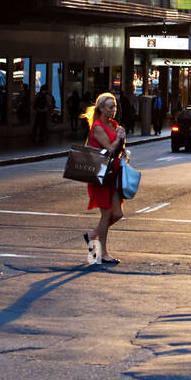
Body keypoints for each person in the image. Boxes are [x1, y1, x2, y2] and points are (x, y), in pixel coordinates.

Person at [82, 93, 127, 265]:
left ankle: (92, 235)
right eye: (110, 107)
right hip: (100, 175)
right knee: (107, 214)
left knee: (117, 213)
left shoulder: (113, 124)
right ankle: (102, 253)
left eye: (115, 106)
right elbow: (109, 150)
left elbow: (119, 150)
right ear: (101, 108)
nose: (113, 110)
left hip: (113, 174)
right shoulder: (98, 127)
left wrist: (122, 138)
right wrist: (118, 137)